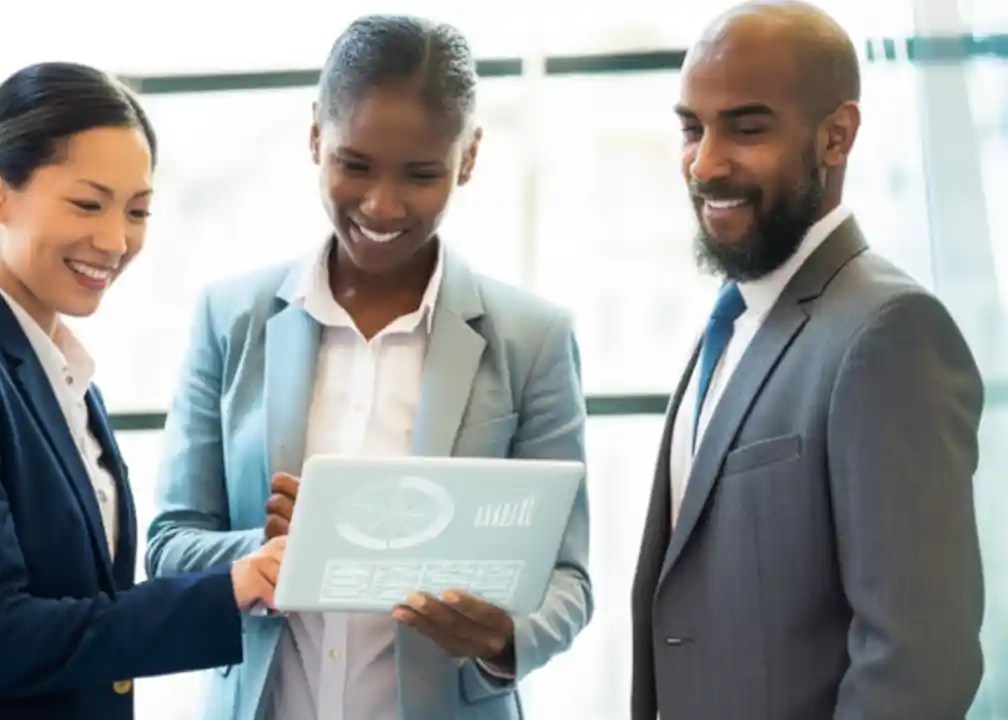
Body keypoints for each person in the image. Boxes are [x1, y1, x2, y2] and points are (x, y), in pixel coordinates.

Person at [146, 14, 592, 720]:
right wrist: (276, 548)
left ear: (469, 157)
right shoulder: (230, 319)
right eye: (354, 165)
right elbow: (169, 547)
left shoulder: (532, 338)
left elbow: (568, 577)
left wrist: (504, 637)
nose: (383, 205)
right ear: (315, 135)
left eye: (421, 174)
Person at [0, 62, 286, 720]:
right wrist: (222, 594)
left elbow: (81, 609)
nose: (115, 241)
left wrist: (249, 567)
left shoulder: (59, 376)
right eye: (88, 204)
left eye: (137, 211)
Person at [630, 3, 985, 718]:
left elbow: (919, 663)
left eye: (746, 128)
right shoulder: (731, 325)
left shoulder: (890, 333)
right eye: (692, 128)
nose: (705, 163)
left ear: (836, 135)